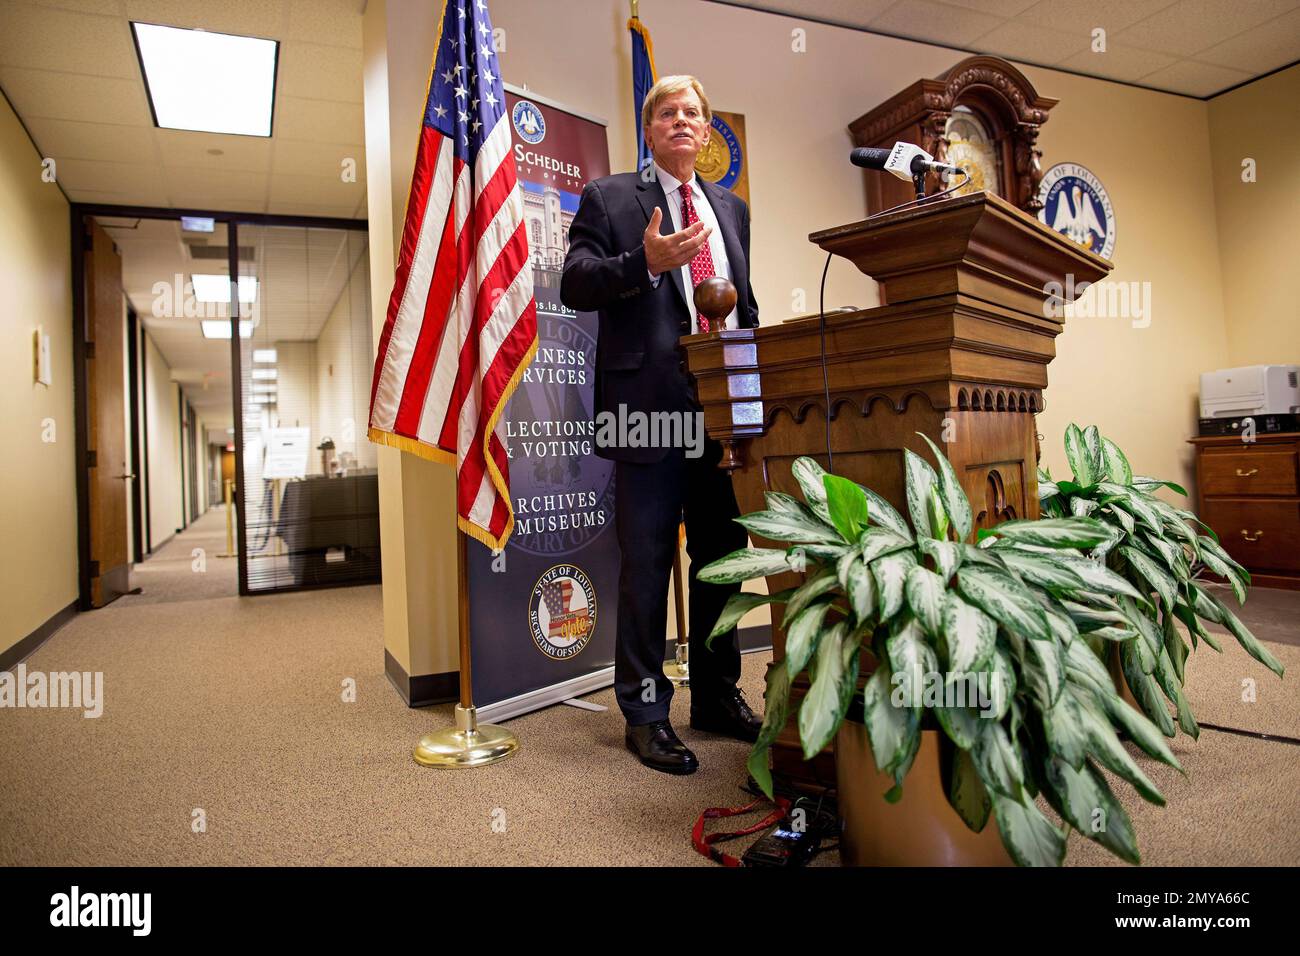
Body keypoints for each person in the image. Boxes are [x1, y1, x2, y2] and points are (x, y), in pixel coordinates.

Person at [560, 75, 762, 775]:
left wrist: (756, 391)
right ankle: (645, 712)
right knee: (646, 563)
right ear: (649, 132)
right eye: (667, 113)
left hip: (722, 412)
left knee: (720, 557)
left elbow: (745, 306)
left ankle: (715, 694)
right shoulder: (611, 198)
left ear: (706, 134)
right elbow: (575, 283)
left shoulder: (730, 209)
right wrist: (641, 264)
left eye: (694, 114)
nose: (682, 121)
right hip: (647, 409)